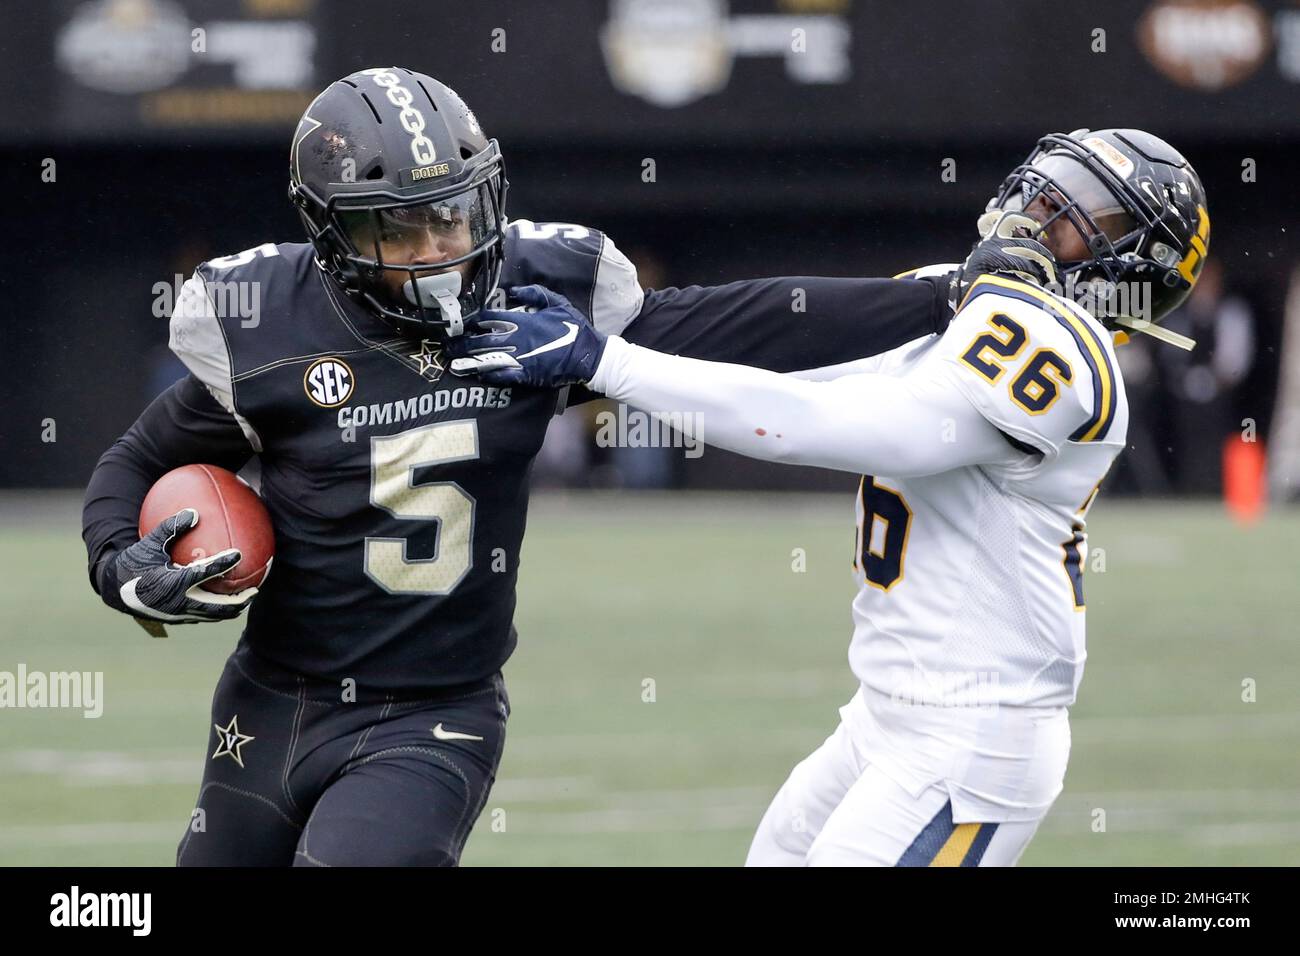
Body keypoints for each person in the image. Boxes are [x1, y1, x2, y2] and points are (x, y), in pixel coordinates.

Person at [80, 66, 1033, 866]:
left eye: (452, 217)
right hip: (274, 697)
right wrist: (124, 568)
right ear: (329, 234)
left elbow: (743, 323)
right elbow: (136, 463)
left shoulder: (534, 302)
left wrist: (944, 296)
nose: (436, 252)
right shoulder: (270, 327)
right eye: (396, 231)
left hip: (432, 715)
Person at [454, 128, 1210, 866]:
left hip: (974, 739)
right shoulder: (967, 294)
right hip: (884, 716)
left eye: (1083, 210)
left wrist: (608, 362)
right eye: (1049, 186)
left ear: (1137, 269)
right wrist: (635, 325)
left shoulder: (1063, 352)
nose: (1041, 210)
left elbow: (825, 424)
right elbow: (788, 352)